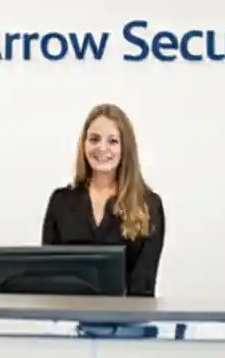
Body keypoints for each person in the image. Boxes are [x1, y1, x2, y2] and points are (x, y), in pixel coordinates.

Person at [42, 103, 165, 297]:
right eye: (94, 139)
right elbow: (48, 275)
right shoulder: (61, 202)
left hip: (128, 322)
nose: (102, 148)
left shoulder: (149, 205)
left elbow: (143, 285)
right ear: (84, 145)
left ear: (126, 148)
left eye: (113, 141)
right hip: (71, 320)